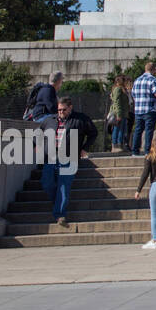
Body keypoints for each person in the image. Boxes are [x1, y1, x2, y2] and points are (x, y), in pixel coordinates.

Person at [40, 96, 96, 227]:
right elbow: (39, 132)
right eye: (58, 110)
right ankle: (58, 204)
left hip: (69, 158)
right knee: (46, 182)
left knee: (63, 186)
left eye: (63, 110)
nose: (60, 112)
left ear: (70, 108)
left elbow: (93, 133)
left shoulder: (80, 119)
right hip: (51, 157)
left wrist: (84, 148)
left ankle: (60, 215)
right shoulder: (50, 120)